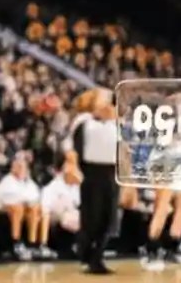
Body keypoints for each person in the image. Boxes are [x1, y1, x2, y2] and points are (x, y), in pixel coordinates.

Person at [73, 89, 119, 275]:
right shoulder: (83, 121)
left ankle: (97, 256)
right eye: (104, 98)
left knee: (109, 218)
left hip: (111, 171)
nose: (109, 103)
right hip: (92, 172)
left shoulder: (115, 123)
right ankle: (87, 253)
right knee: (92, 216)